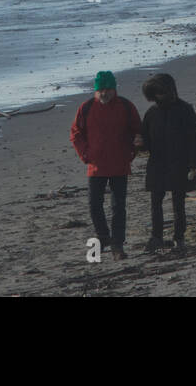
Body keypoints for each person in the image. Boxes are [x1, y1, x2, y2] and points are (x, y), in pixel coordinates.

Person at [70, 71, 143, 261]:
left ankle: (117, 244)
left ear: (114, 89)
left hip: (119, 164)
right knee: (94, 205)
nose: (104, 93)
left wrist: (132, 151)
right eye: (100, 90)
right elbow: (76, 134)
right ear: (96, 90)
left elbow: (138, 131)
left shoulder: (126, 106)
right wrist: (85, 154)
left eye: (108, 89)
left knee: (119, 206)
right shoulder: (86, 108)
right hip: (96, 166)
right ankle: (103, 237)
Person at [139, 73, 196, 255]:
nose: (162, 96)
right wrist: (139, 144)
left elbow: (195, 139)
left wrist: (195, 164)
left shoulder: (185, 110)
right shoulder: (151, 113)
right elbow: (145, 140)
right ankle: (156, 237)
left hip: (180, 163)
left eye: (164, 92)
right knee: (155, 202)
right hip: (157, 164)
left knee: (178, 203)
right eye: (158, 93)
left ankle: (179, 238)